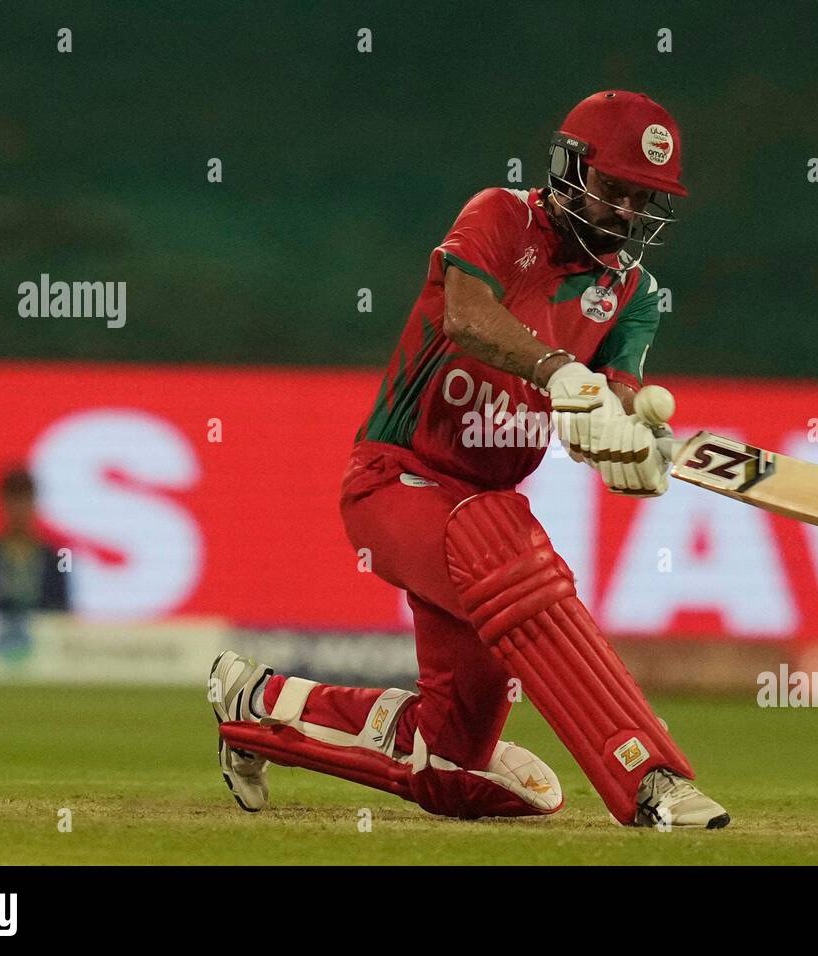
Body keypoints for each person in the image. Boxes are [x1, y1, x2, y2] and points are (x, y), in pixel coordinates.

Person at [213, 91, 729, 828]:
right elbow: (467, 316)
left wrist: (626, 449)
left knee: (454, 765)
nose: (627, 213)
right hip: (395, 482)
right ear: (568, 169)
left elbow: (605, 411)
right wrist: (559, 372)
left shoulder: (635, 295)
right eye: (615, 190)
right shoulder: (499, 215)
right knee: (504, 534)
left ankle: (255, 705)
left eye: (643, 199)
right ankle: (650, 776)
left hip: (479, 519)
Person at [0, 466, 70, 614]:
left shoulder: (58, 557)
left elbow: (63, 612)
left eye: (24, 499)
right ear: (1, 502)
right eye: (12, 500)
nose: (18, 508)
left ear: (33, 502)